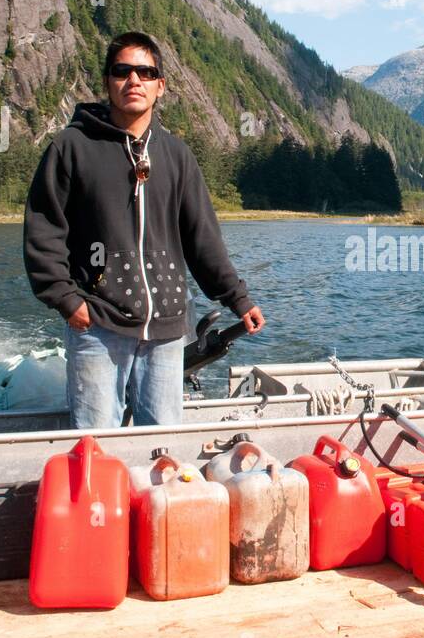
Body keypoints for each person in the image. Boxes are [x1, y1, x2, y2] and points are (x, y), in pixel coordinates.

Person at [23, 31, 265, 428]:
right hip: (98, 325)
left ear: (160, 86)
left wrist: (237, 298)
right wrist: (68, 301)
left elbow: (201, 236)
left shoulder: (176, 155)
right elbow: (44, 231)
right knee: (97, 450)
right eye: (122, 71)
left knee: (163, 451)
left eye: (145, 72)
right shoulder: (71, 147)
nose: (134, 80)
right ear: (107, 82)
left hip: (168, 330)